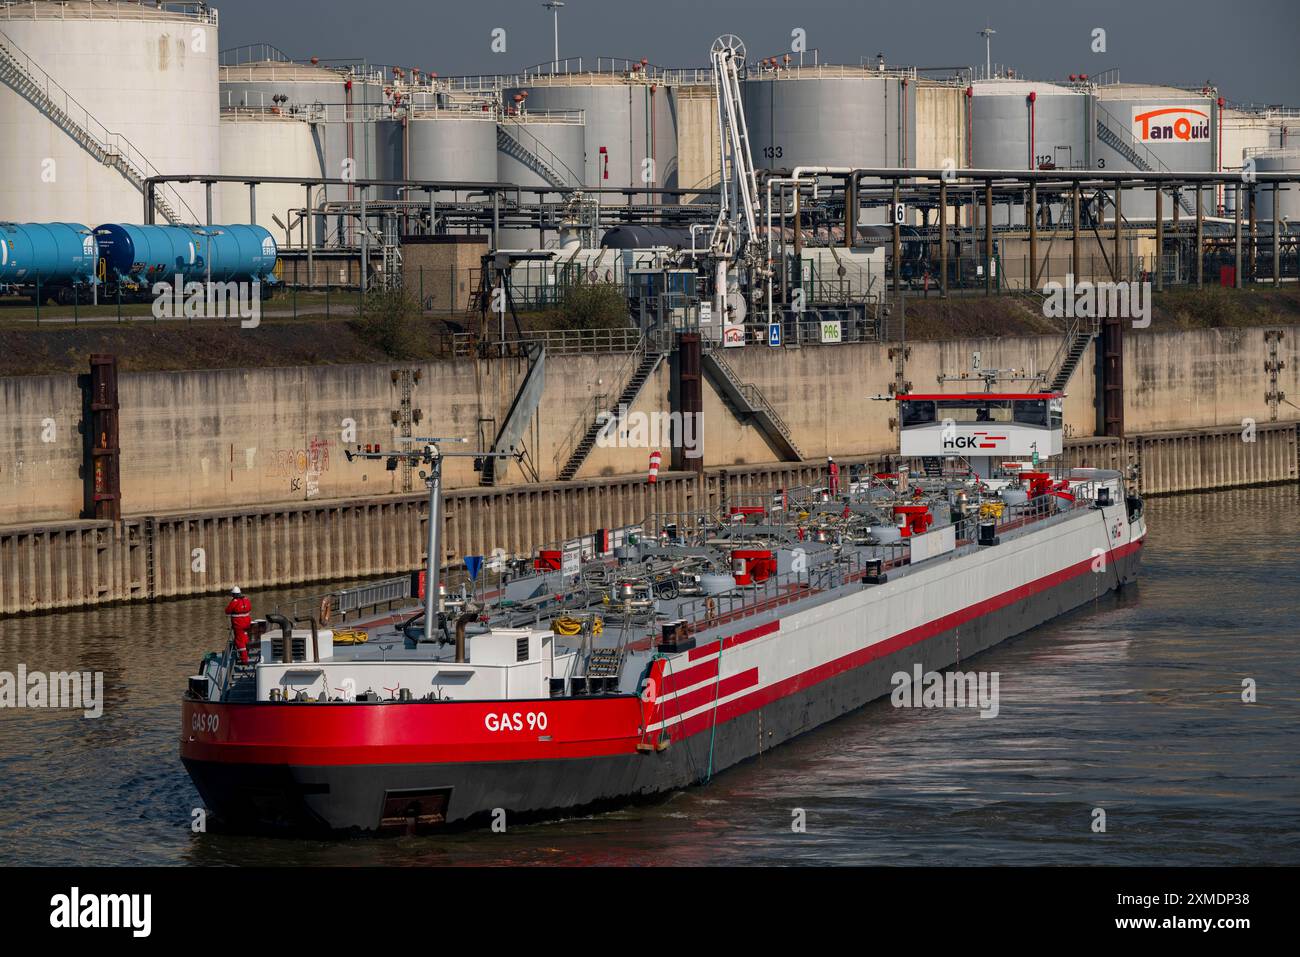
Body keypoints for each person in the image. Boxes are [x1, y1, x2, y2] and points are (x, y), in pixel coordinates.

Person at [225, 586, 253, 665]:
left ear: (233, 594)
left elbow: (227, 611)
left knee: (239, 642)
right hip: (247, 623)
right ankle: (247, 653)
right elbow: (250, 608)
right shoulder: (246, 599)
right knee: (245, 638)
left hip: (239, 624)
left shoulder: (235, 601)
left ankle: (244, 660)